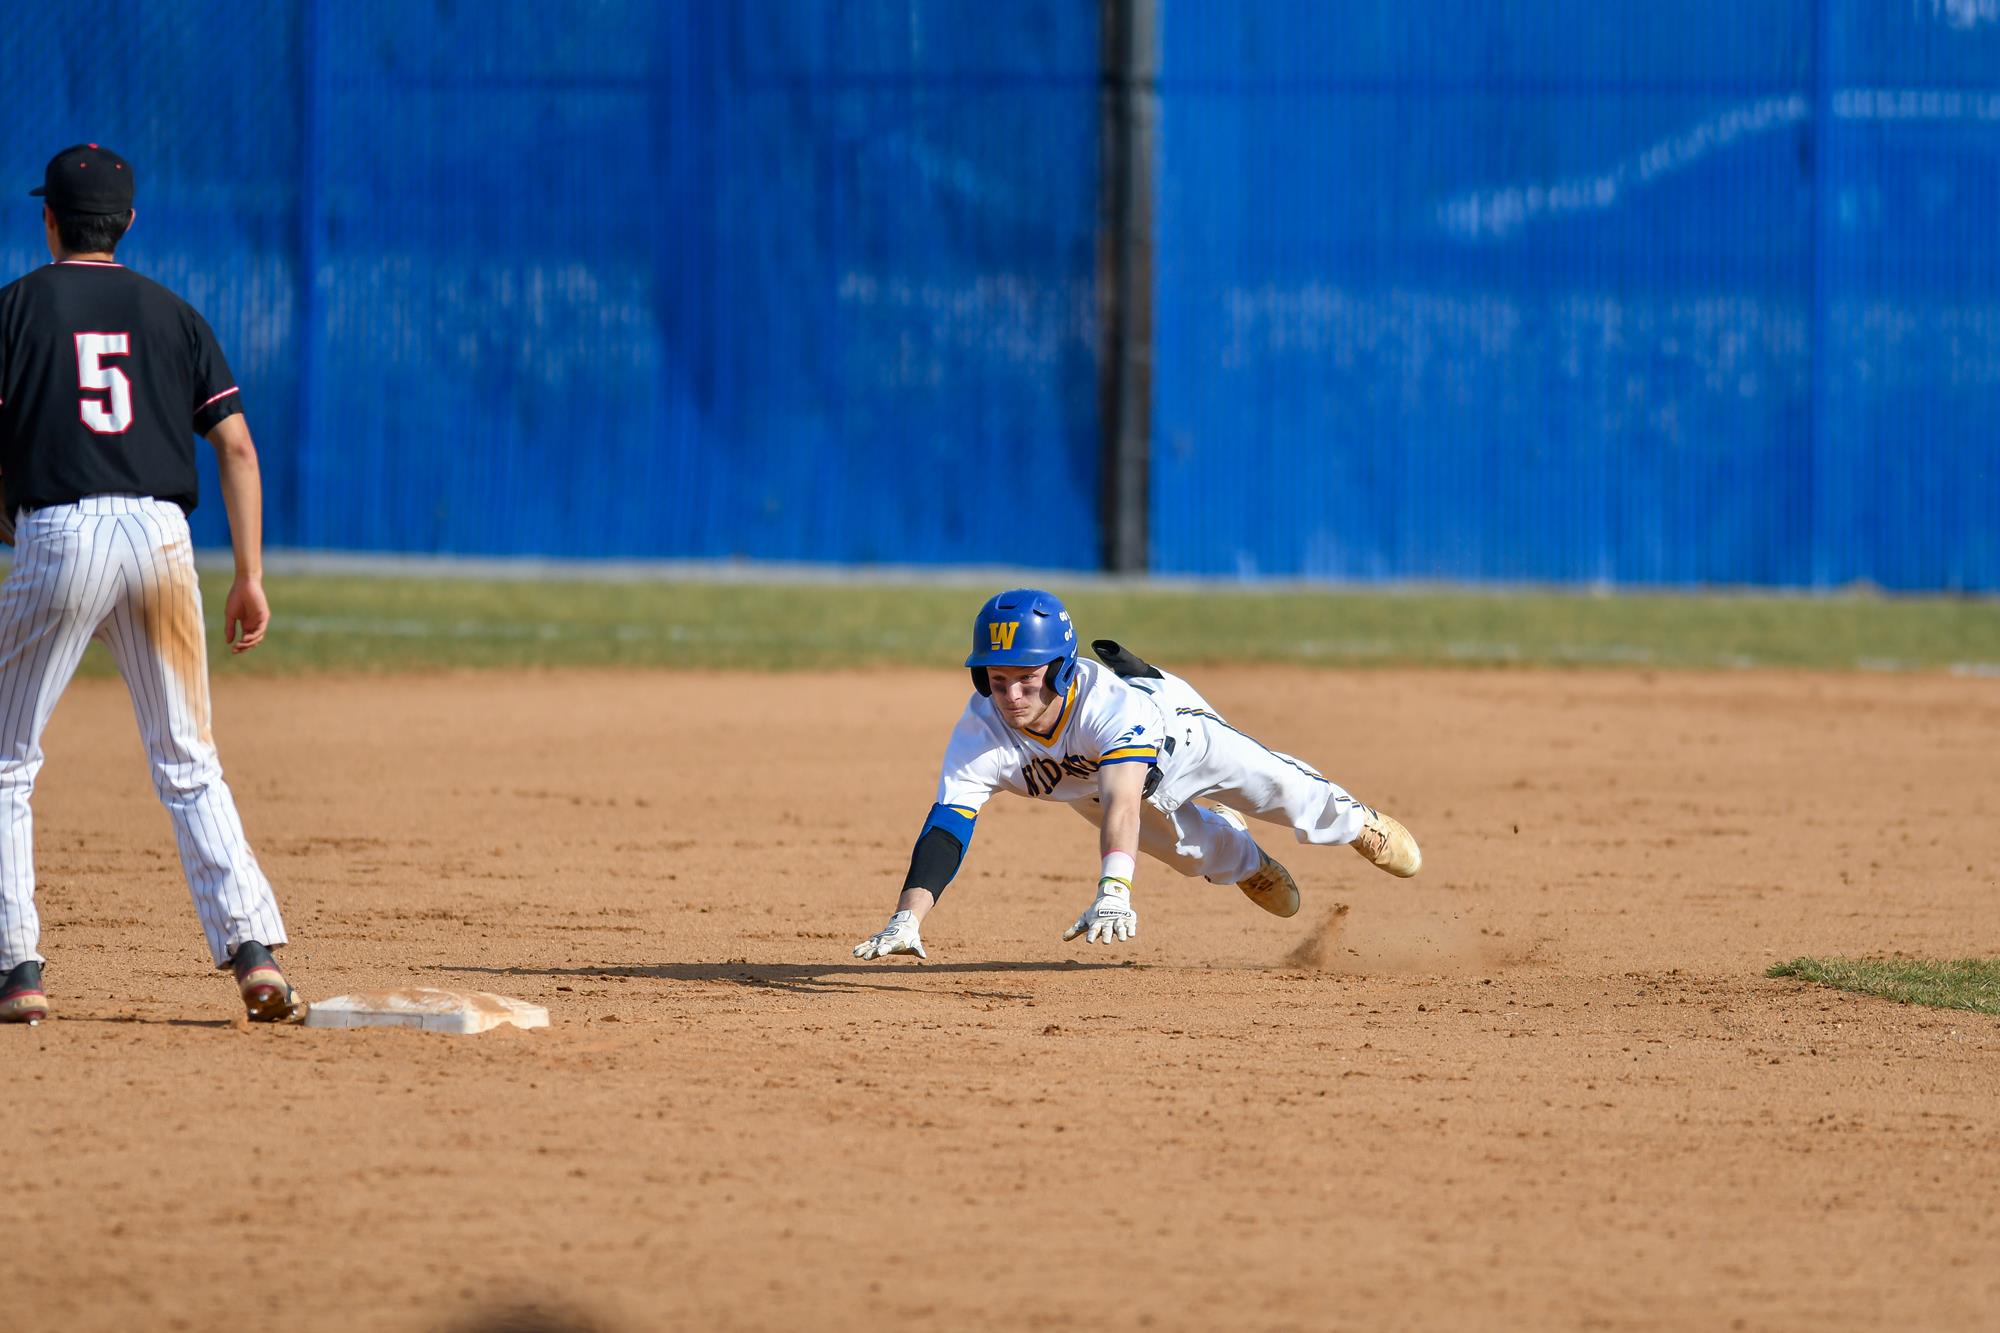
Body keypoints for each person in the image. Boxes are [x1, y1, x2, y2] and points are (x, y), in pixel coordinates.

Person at [0, 144, 300, 1024]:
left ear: (48, 220)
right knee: (188, 761)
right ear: (127, 222)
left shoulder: (15, 308)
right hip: (163, 540)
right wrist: (249, 575)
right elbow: (236, 445)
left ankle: (17, 969)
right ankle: (254, 951)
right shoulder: (175, 314)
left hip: (58, 531)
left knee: (6, 763)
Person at [853, 588, 1422, 961]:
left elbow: (1125, 800)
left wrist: (1113, 891)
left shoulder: (1105, 706)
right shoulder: (981, 732)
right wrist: (907, 917)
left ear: (1061, 669)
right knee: (1194, 855)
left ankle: (1357, 824)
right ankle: (1250, 861)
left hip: (1180, 738)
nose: (1012, 694)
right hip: (1096, 789)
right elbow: (948, 826)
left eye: (1027, 677)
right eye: (997, 679)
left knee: (1281, 789)